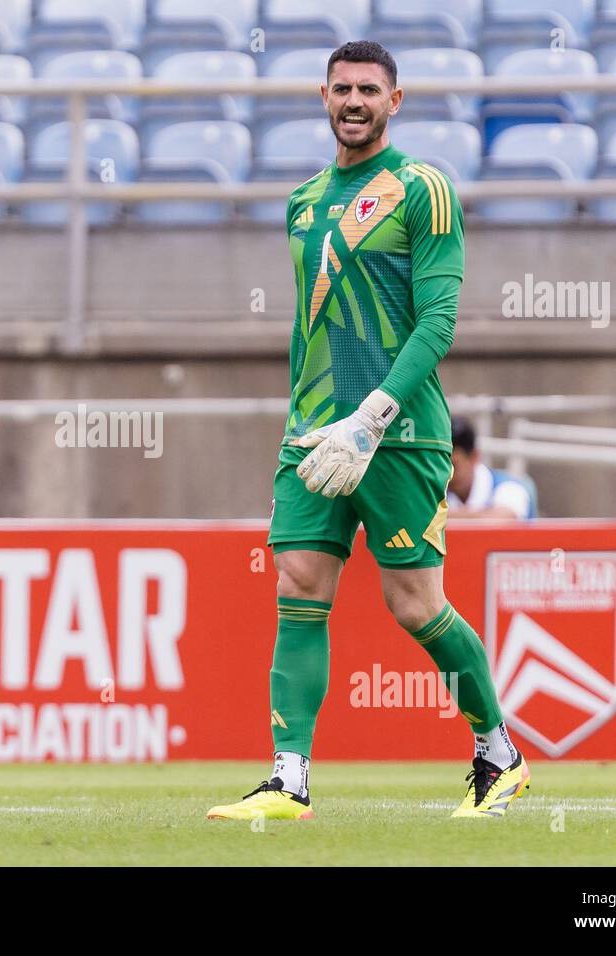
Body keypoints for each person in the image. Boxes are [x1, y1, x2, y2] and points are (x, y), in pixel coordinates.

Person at [206, 41, 529, 822]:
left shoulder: (424, 190)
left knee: (415, 605)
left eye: (370, 90)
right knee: (298, 587)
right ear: (323, 96)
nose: (355, 100)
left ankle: (500, 752)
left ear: (396, 100)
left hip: (401, 432)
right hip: (315, 432)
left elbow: (440, 320)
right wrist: (306, 422)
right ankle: (289, 780)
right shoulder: (304, 201)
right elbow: (307, 327)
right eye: (343, 88)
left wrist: (372, 417)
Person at [448, 417, 538, 520]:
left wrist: (439, 517)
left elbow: (501, 521)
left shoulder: (509, 488)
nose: (448, 474)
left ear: (474, 457)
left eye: (453, 465)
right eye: (442, 467)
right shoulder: (441, 492)